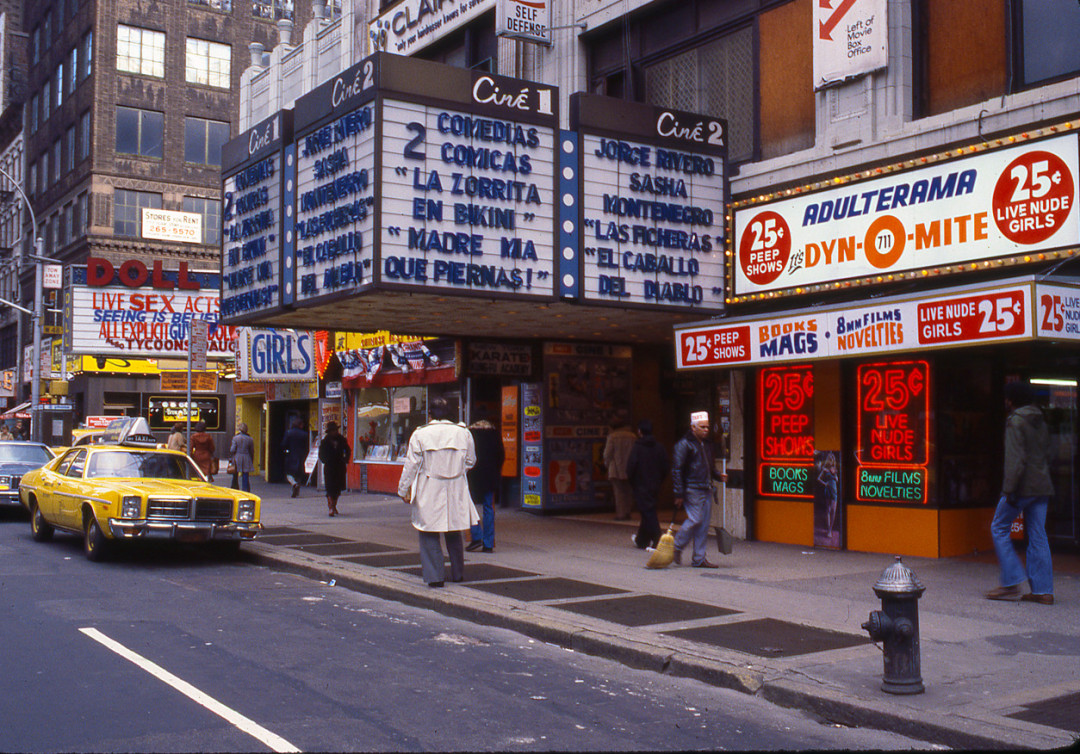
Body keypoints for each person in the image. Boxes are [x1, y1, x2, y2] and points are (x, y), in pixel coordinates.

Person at [987, 381, 1055, 604]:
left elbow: (1015, 461)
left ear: (1011, 399)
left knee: (998, 527)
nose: (1005, 401)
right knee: (1038, 533)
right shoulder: (1041, 421)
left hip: (1022, 487)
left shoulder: (1015, 422)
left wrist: (1009, 490)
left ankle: (1011, 582)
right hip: (1042, 485)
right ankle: (1043, 591)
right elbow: (1049, 453)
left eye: (1007, 397)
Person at [397, 397, 477, 587]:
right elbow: (471, 461)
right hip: (455, 486)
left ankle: (435, 577)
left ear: (430, 413)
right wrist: (456, 472)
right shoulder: (463, 433)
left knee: (428, 531)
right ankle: (458, 573)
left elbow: (411, 466)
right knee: (454, 529)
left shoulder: (420, 434)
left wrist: (403, 489)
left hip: (430, 486)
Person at [671, 411, 727, 569]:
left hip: (705, 487)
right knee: (695, 519)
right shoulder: (684, 444)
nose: (706, 430)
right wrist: (678, 492)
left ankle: (699, 558)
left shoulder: (706, 444)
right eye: (702, 427)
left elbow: (709, 466)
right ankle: (676, 545)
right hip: (692, 488)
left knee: (703, 524)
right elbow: (677, 469)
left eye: (707, 427)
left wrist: (717, 475)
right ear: (693, 427)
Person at [626, 418, 668, 550]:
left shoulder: (638, 447)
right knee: (647, 511)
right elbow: (666, 466)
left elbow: (630, 468)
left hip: (641, 484)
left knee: (648, 512)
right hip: (655, 484)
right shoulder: (659, 447)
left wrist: (633, 482)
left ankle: (657, 539)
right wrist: (659, 480)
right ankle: (642, 540)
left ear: (639, 431)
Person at [466, 416, 505, 553]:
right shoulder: (494, 434)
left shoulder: (470, 433)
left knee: (468, 506)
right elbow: (501, 455)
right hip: (490, 475)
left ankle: (476, 535)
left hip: (473, 475)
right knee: (488, 508)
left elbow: (466, 455)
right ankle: (488, 543)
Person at [603, 414, 637, 520]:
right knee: (628, 492)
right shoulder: (633, 436)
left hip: (616, 469)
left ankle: (621, 514)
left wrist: (607, 465)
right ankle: (628, 512)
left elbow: (607, 454)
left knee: (619, 493)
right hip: (630, 468)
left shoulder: (612, 437)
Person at [319, 421, 351, 517]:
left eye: (336, 430)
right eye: (333, 430)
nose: (335, 432)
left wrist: (346, 459)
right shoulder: (325, 442)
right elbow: (321, 454)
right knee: (329, 487)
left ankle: (334, 505)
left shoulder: (341, 439)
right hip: (329, 466)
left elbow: (348, 450)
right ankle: (331, 508)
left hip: (340, 466)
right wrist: (326, 460)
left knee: (337, 488)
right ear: (329, 432)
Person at [281, 417, 309, 497]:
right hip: (301, 456)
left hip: (291, 456)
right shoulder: (304, 434)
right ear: (300, 425)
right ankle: (297, 490)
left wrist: (285, 451)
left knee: (289, 474)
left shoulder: (289, 433)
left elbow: (284, 444)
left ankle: (294, 484)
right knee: (299, 474)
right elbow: (306, 446)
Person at [229, 422, 255, 493]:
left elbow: (232, 449)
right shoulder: (250, 439)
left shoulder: (235, 438)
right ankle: (245, 490)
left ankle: (234, 488)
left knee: (235, 474)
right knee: (245, 475)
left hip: (237, 457)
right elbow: (252, 450)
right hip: (246, 457)